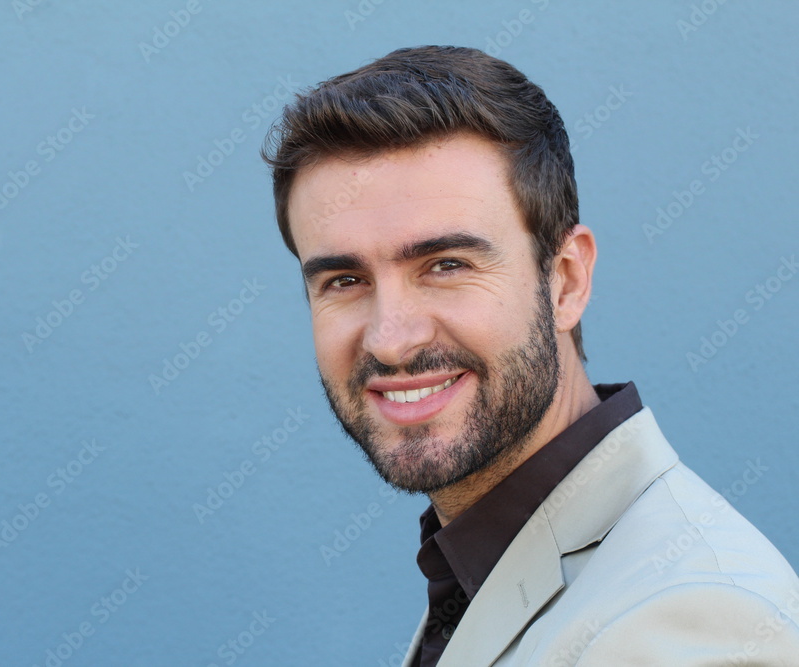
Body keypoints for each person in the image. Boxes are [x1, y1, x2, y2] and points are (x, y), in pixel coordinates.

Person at [261, 45, 799, 666]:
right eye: (345, 280)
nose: (390, 339)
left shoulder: (693, 619)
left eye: (446, 265)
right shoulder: (488, 562)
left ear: (566, 281)